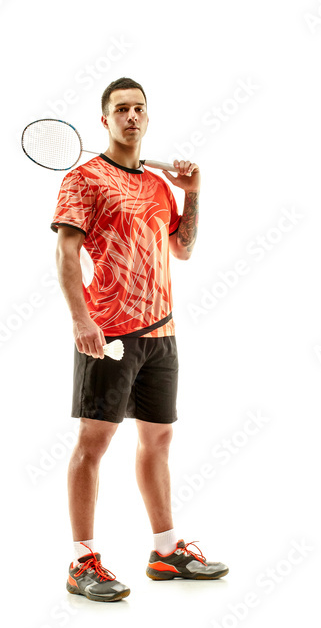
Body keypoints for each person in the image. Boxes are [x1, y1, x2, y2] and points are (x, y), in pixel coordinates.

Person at [50, 77, 228, 602]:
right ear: (105, 120)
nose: (132, 116)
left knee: (158, 440)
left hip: (162, 334)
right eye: (121, 109)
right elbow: (65, 253)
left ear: (148, 118)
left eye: (139, 109)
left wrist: (192, 195)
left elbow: (184, 249)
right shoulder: (84, 180)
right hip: (109, 334)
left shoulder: (157, 185)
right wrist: (82, 320)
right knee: (93, 444)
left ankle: (166, 551)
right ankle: (82, 561)